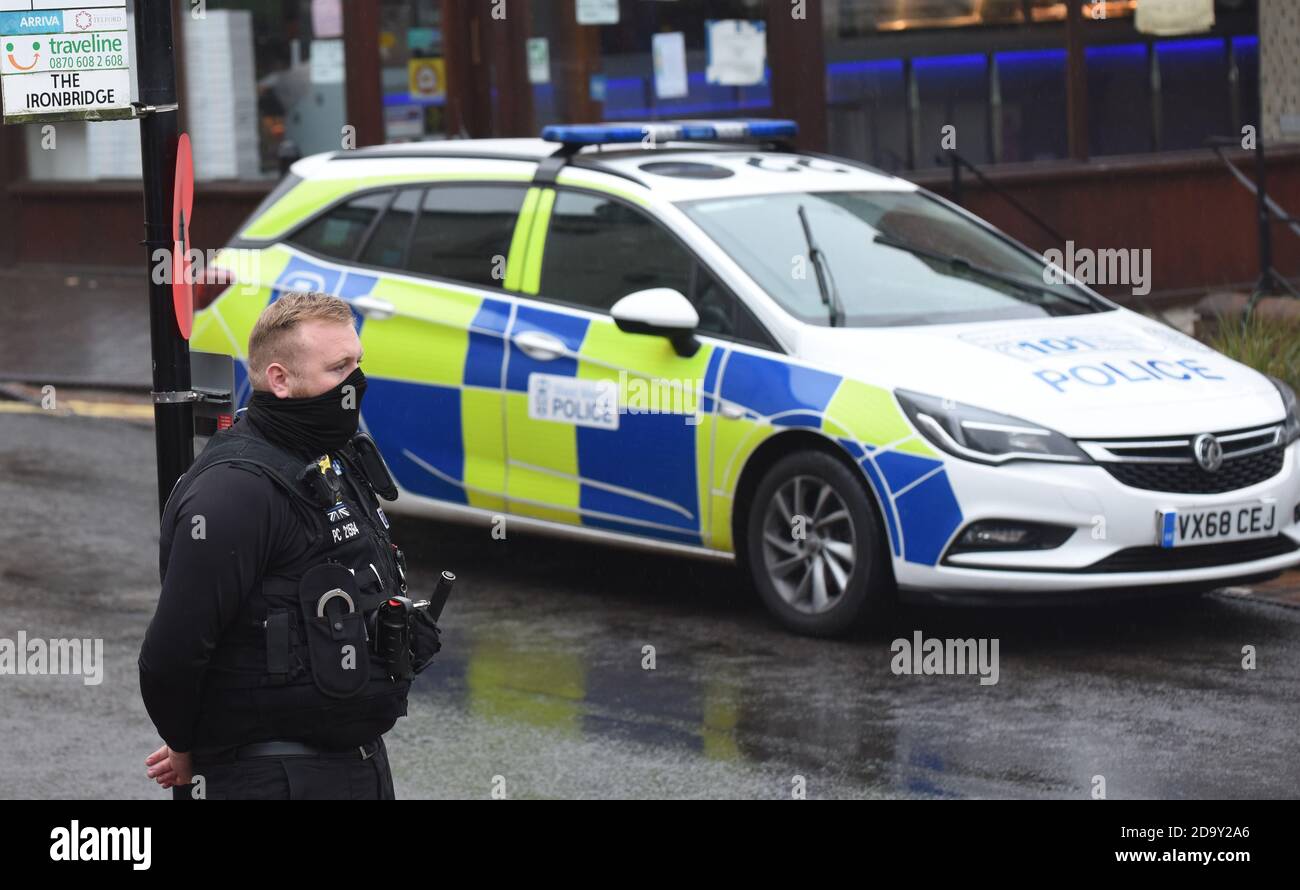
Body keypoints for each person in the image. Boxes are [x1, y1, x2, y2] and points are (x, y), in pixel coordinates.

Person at [138, 291, 442, 800]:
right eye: (338, 368)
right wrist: (186, 743)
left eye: (357, 363)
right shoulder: (235, 490)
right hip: (273, 779)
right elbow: (171, 655)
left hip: (358, 764)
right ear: (280, 378)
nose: (355, 384)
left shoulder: (331, 457)